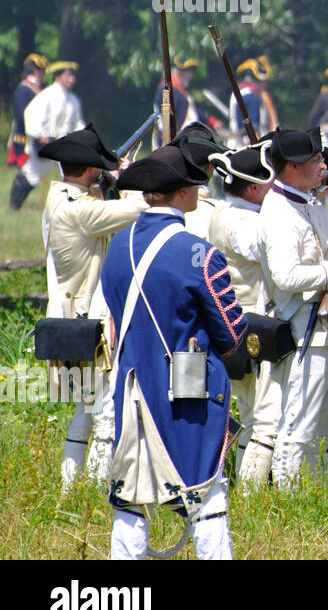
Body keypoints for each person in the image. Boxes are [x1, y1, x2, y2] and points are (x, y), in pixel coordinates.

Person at [100, 145, 247, 560]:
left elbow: (116, 316)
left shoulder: (117, 246)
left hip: (130, 387)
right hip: (187, 391)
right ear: (182, 192)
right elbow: (232, 332)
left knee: (131, 497)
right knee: (207, 499)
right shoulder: (199, 254)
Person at [38, 126, 146, 490]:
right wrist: (128, 177)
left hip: (73, 318)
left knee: (86, 413)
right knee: (106, 415)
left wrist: (107, 180)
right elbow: (141, 206)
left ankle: (71, 488)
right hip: (88, 323)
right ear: (89, 170)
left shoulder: (59, 197)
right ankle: (97, 489)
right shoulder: (80, 209)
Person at [258, 127, 328, 488]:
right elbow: (286, 276)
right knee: (297, 426)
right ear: (292, 167)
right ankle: (294, 500)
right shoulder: (279, 213)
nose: (323, 164)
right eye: (316, 159)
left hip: (324, 329)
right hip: (302, 329)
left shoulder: (304, 202)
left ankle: (316, 491)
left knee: (322, 424)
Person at [207, 144, 278, 486]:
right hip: (257, 331)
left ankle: (243, 485)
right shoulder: (245, 222)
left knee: (251, 416)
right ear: (254, 187)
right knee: (267, 421)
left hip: (239, 326)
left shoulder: (227, 213)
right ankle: (252, 495)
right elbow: (269, 252)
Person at [16, 61, 84, 210]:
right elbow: (31, 114)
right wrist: (39, 135)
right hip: (47, 144)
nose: (72, 79)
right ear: (58, 76)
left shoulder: (73, 100)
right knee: (31, 175)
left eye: (73, 76)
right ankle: (14, 206)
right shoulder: (47, 95)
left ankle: (68, 208)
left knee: (71, 177)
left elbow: (78, 122)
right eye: (69, 75)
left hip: (65, 145)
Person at [7, 52, 46, 177]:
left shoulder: (40, 89)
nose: (41, 73)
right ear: (32, 71)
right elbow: (21, 116)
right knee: (25, 173)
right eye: (38, 70)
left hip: (39, 136)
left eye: (42, 70)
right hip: (24, 136)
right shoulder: (23, 89)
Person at [229, 55, 277, 142]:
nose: (265, 84)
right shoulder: (250, 97)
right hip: (246, 146)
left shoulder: (241, 93)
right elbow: (254, 130)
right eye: (262, 81)